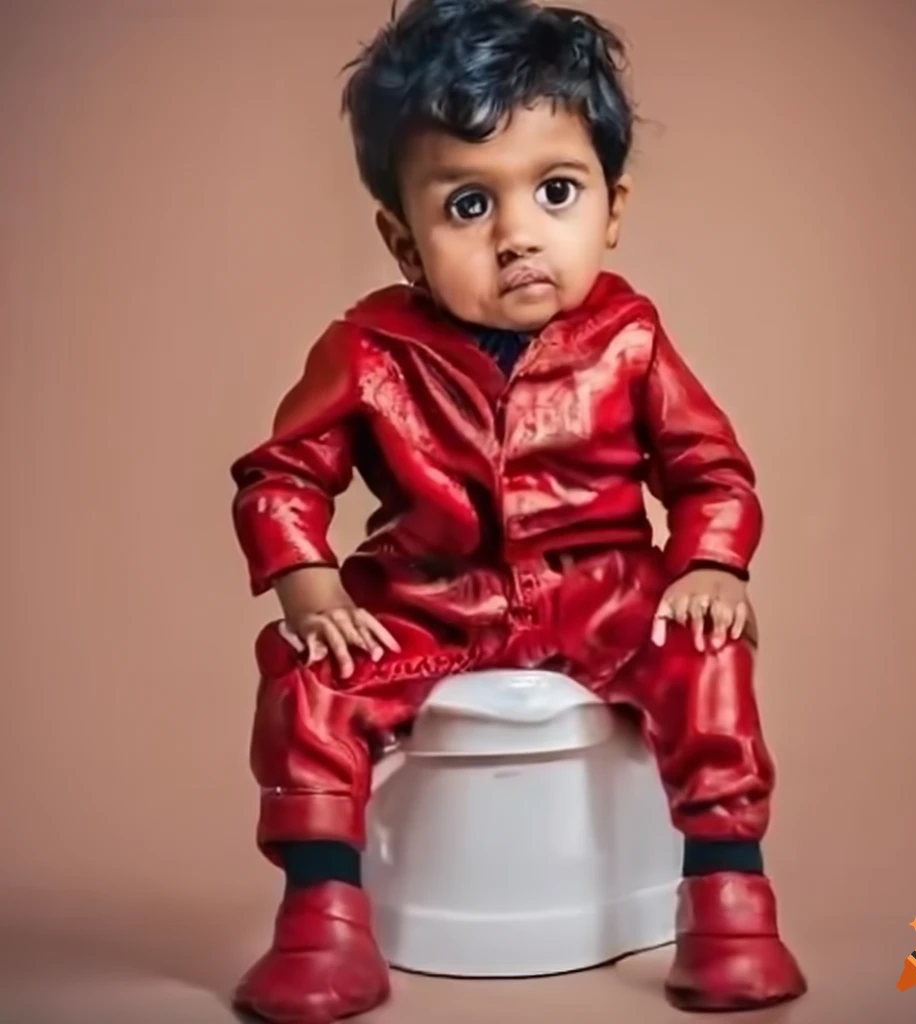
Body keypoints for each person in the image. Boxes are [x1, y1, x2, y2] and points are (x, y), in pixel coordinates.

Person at [228, 0, 807, 1020]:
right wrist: (307, 583)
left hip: (604, 597)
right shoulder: (368, 350)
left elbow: (709, 468)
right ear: (401, 241)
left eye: (554, 191)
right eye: (466, 207)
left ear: (612, 209)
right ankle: (322, 909)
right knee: (309, 675)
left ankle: (728, 896)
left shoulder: (630, 336)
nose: (516, 237)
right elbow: (283, 474)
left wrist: (711, 563)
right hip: (425, 601)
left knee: (707, 650)